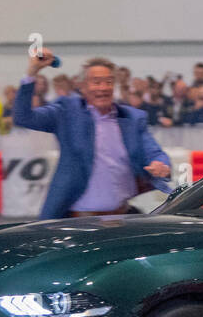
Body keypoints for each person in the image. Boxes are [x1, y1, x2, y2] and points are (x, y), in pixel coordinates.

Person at [16, 51, 171, 218]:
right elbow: (23, 117)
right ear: (83, 87)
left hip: (122, 217)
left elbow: (153, 151)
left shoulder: (131, 119)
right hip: (77, 221)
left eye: (108, 82)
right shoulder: (67, 112)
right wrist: (32, 73)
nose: (103, 88)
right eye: (96, 82)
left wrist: (160, 163)